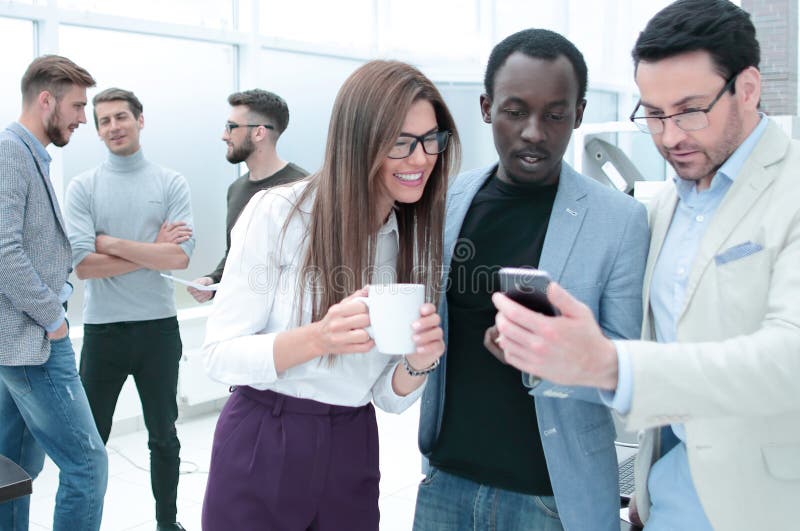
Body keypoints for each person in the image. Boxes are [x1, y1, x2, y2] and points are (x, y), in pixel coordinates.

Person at [491, 2, 800, 530]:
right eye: (653, 113)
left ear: (747, 88)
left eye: (689, 111)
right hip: (665, 501)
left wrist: (612, 364)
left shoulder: (790, 189)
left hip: (763, 508)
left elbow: (787, 359)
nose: (669, 135)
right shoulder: (660, 207)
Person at [200, 60, 461, 530]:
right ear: (358, 140)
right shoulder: (278, 213)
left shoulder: (413, 240)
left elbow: (386, 395)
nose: (421, 158)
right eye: (402, 141)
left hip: (351, 442)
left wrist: (420, 360)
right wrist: (318, 338)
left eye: (431, 140)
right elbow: (219, 355)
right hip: (266, 436)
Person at [414, 29, 649, 531]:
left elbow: (629, 364)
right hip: (445, 482)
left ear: (578, 114)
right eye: (516, 111)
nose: (534, 132)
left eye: (555, 114)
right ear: (486, 108)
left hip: (552, 496)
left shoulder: (619, 220)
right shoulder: (450, 201)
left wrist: (551, 356)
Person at [64, 87, 195, 531]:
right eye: (104, 121)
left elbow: (179, 258)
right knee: (90, 442)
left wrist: (111, 243)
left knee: (165, 437)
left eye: (121, 117)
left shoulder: (170, 182)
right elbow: (83, 266)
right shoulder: (83, 186)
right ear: (97, 130)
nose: (114, 126)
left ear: (141, 119)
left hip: (158, 329)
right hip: (104, 333)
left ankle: (167, 524)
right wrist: (150, 249)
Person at [0, 55, 108, 531]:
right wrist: (54, 318)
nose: (84, 118)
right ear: (46, 100)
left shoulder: (30, 155)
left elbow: (34, 245)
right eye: (78, 106)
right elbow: (4, 251)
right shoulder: (9, 151)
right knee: (88, 465)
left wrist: (63, 284)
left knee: (13, 470)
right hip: (33, 342)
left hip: (20, 341)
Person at [188, 89, 308, 303]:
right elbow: (237, 253)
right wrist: (213, 281)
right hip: (242, 316)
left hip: (288, 322)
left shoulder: (302, 188)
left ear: (259, 133)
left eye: (231, 127)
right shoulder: (236, 189)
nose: (224, 135)